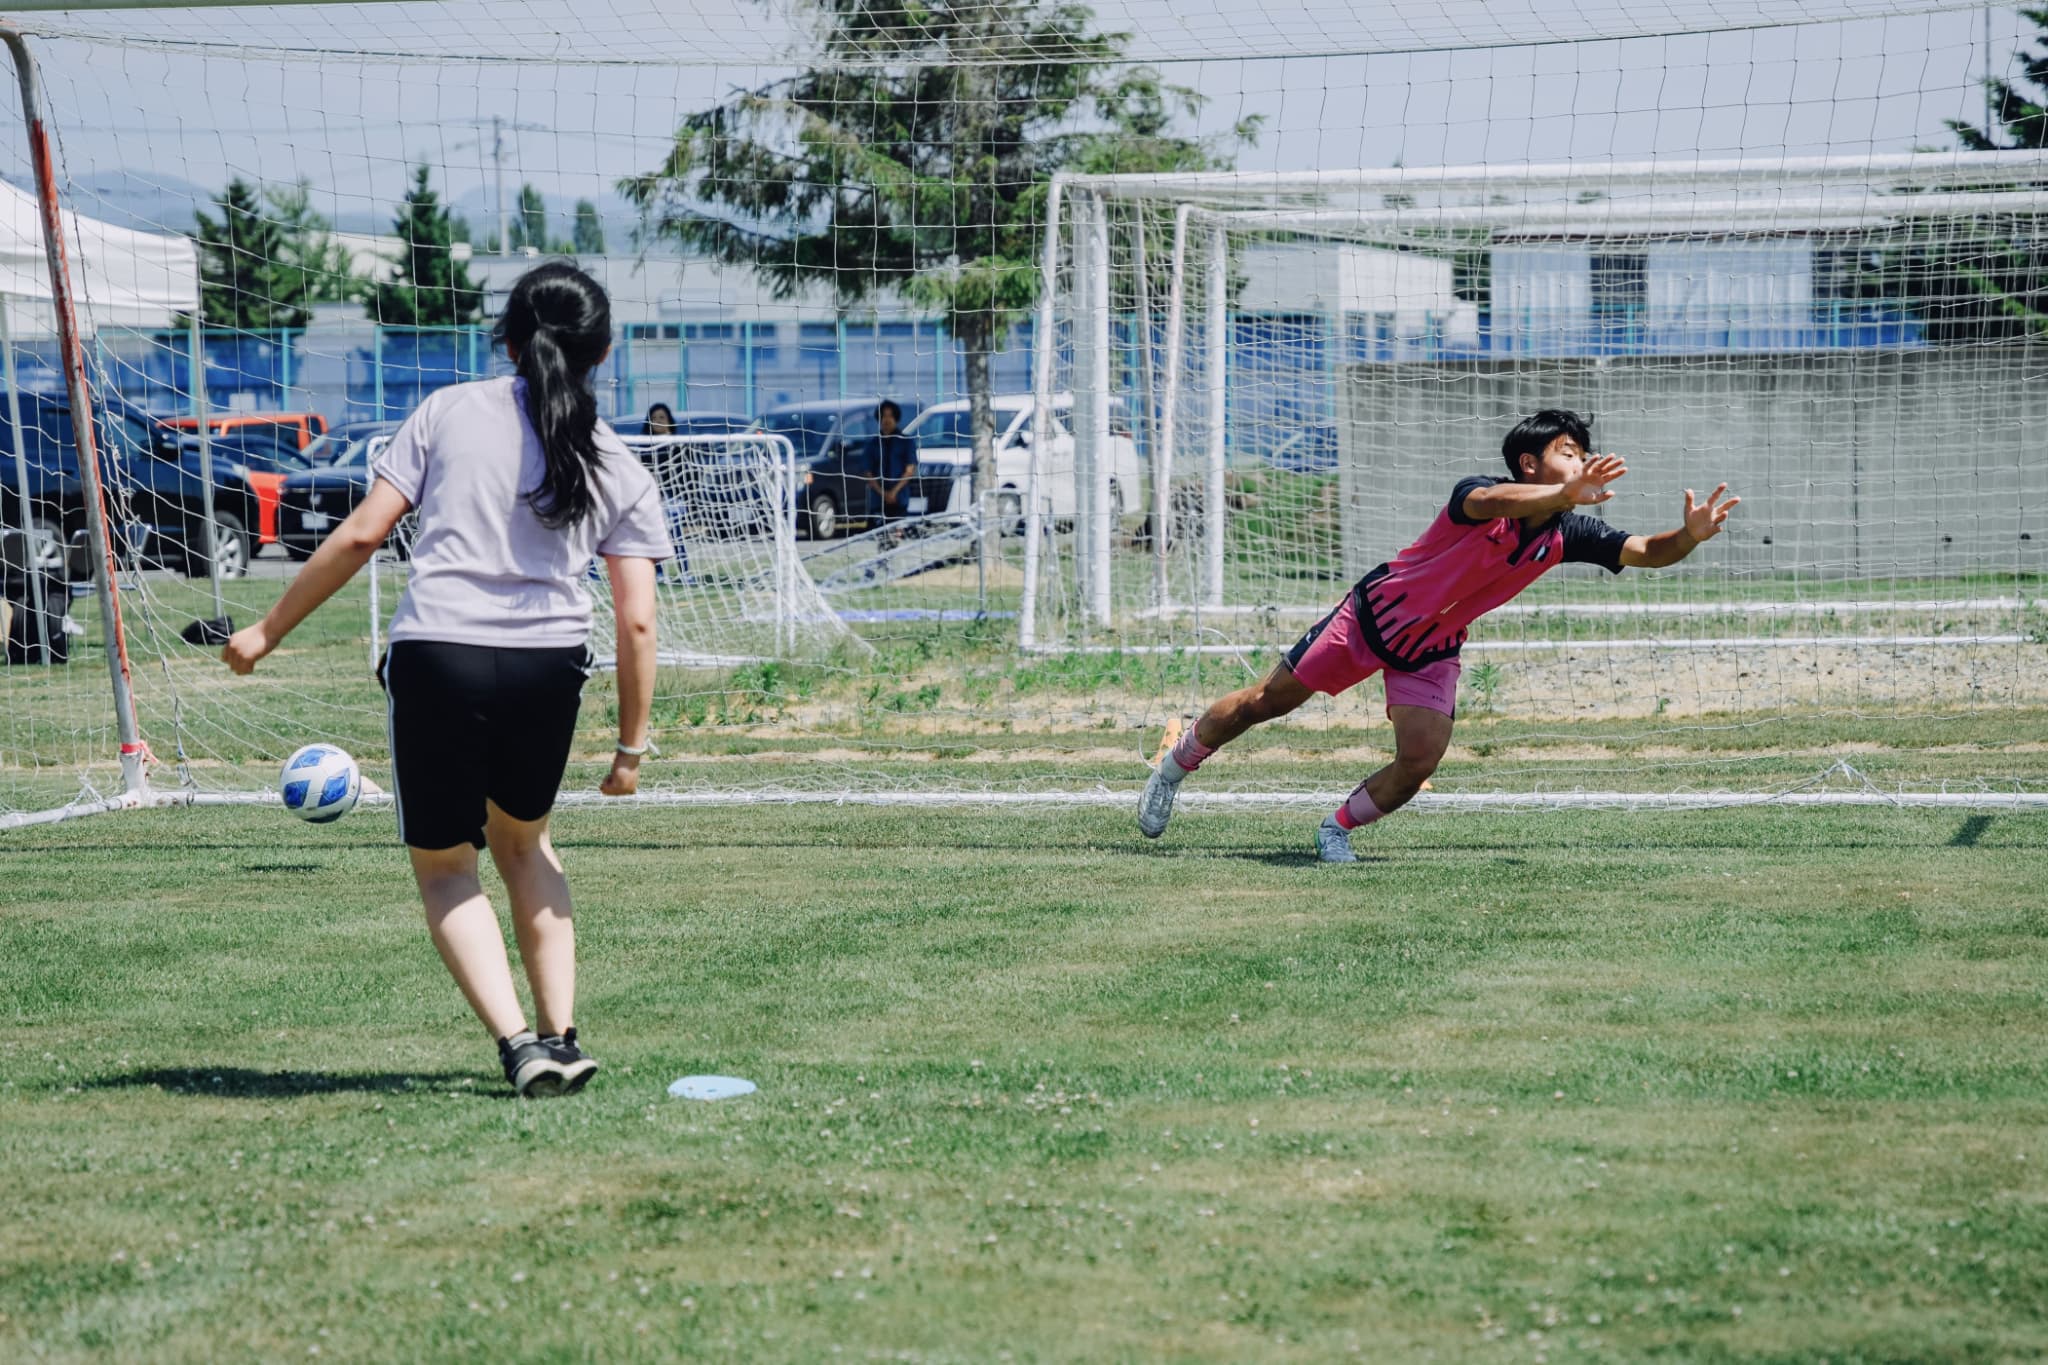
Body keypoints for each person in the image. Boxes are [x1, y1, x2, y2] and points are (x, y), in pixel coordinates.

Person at [220, 262, 674, 1096]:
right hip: (549, 667)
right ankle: (563, 1037)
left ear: (504, 338)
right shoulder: (616, 457)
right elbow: (637, 619)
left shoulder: (446, 411)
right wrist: (631, 749)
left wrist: (265, 631)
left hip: (438, 657)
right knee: (526, 844)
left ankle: (517, 1046)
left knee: (448, 867)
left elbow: (360, 538)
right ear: (603, 352)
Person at [1137, 409, 1740, 862]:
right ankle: (1172, 769)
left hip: (1433, 646)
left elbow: (1645, 552)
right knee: (1262, 704)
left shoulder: (1569, 533)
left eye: (1584, 454)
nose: (1582, 461)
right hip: (1369, 620)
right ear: (1531, 464)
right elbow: (1488, 500)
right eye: (1568, 451)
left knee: (1419, 759)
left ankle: (1335, 829)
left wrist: (1687, 536)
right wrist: (1561, 492)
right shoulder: (1479, 495)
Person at [866, 399, 919, 522]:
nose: (887, 420)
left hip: (900, 497)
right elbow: (868, 473)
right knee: (880, 534)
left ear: (896, 418)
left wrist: (894, 492)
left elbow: (910, 470)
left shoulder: (906, 442)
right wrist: (883, 494)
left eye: (890, 416)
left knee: (898, 533)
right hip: (878, 500)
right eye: (883, 416)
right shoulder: (872, 444)